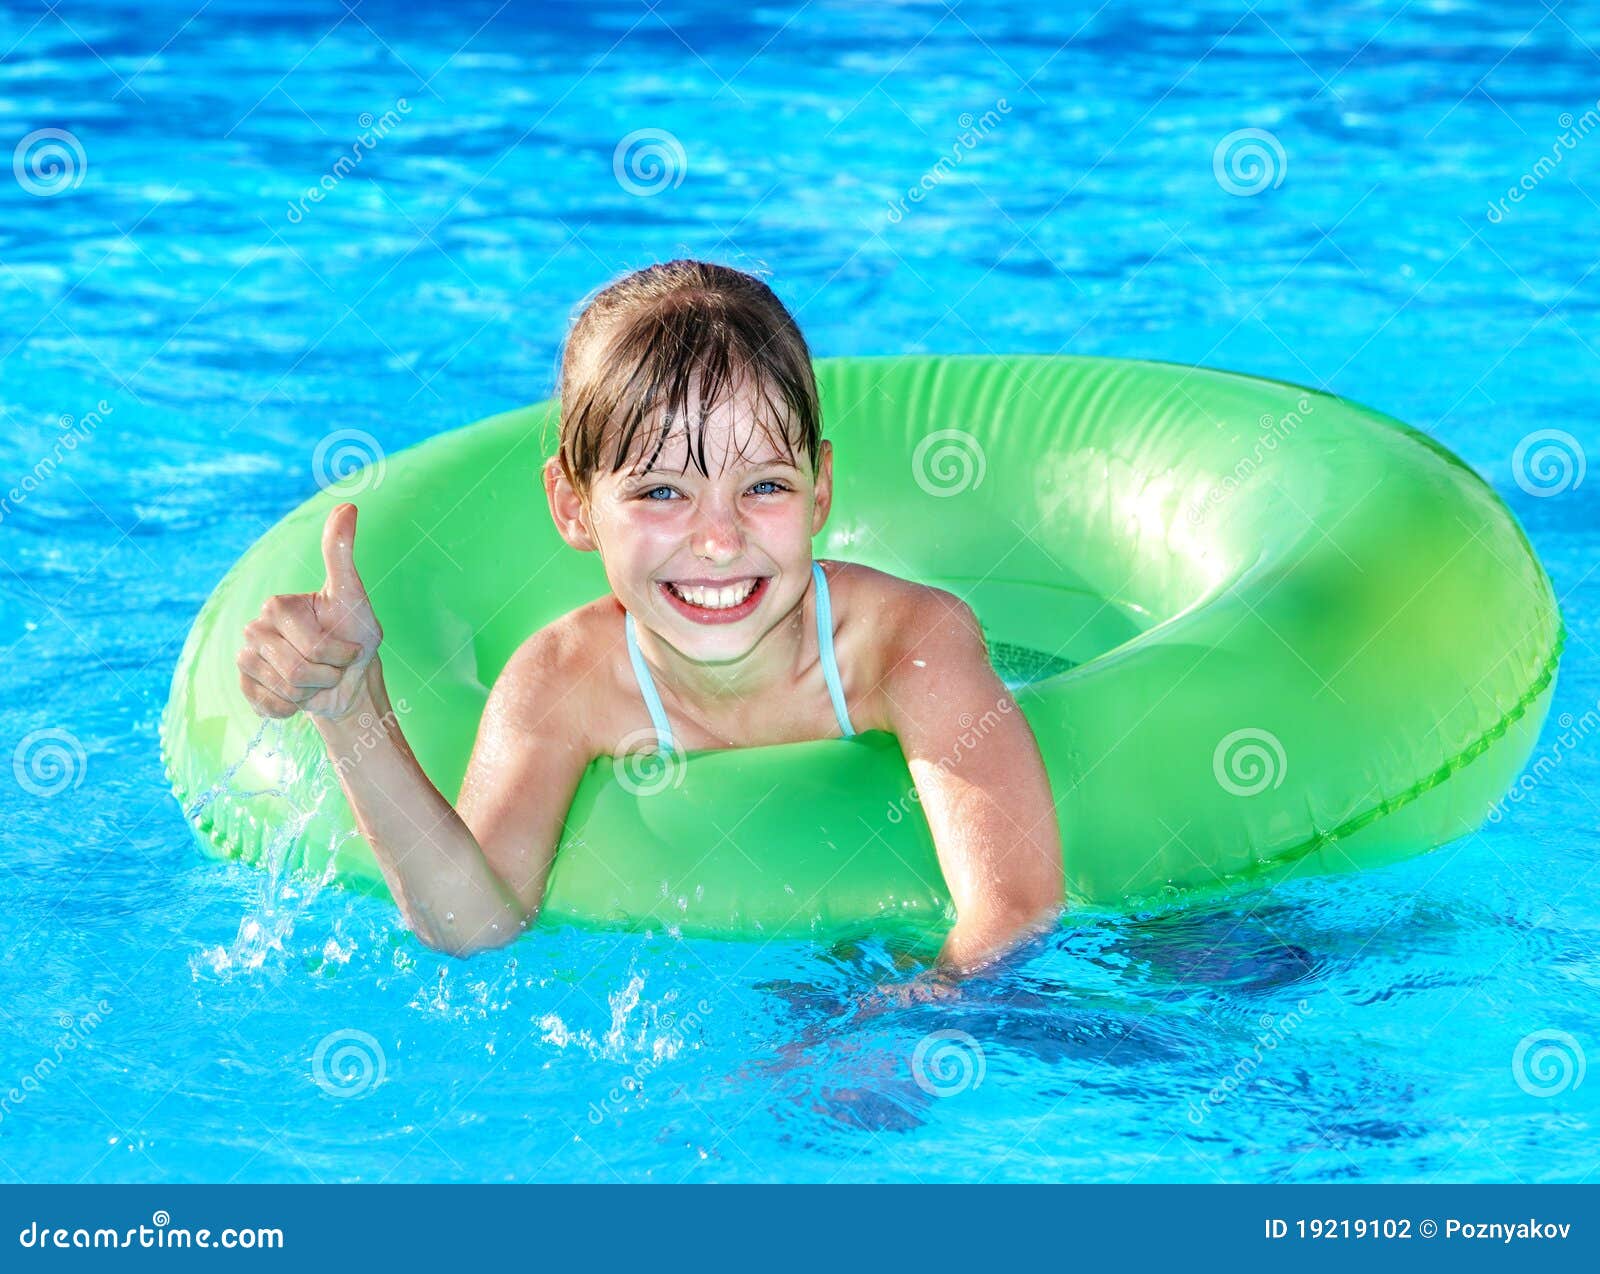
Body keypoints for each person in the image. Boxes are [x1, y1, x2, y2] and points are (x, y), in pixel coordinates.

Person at [236, 259, 1063, 976]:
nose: (718, 539)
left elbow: (1016, 910)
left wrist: (902, 1023)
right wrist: (350, 711)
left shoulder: (904, 644)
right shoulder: (566, 681)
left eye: (765, 485)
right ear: (573, 504)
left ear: (822, 490)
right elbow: (477, 925)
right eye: (662, 492)